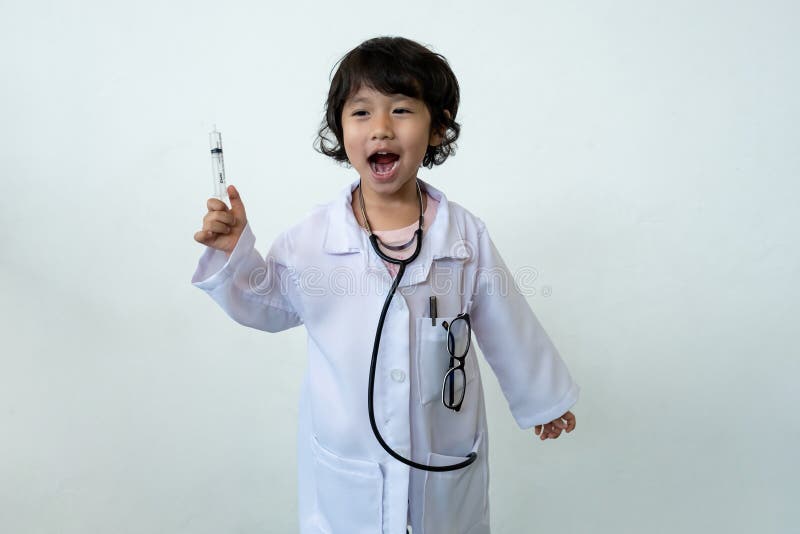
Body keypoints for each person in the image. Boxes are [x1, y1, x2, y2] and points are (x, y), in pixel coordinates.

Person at [192, 36, 578, 534]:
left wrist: (542, 397)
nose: (380, 128)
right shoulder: (312, 239)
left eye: (400, 110)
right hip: (349, 459)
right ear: (340, 130)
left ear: (437, 128)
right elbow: (268, 303)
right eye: (361, 113)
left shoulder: (462, 235)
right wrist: (234, 252)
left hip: (441, 452)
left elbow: (505, 319)